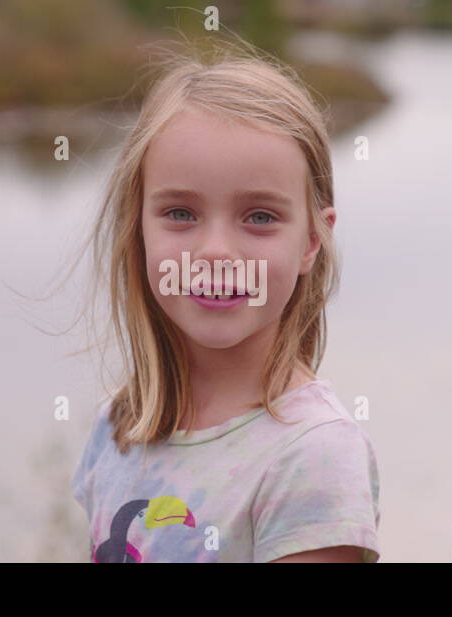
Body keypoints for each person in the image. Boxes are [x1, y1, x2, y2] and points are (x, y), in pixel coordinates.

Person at [70, 42, 381, 563]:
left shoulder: (314, 455)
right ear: (138, 227)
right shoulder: (120, 423)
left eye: (259, 216)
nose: (214, 252)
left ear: (310, 241)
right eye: (180, 213)